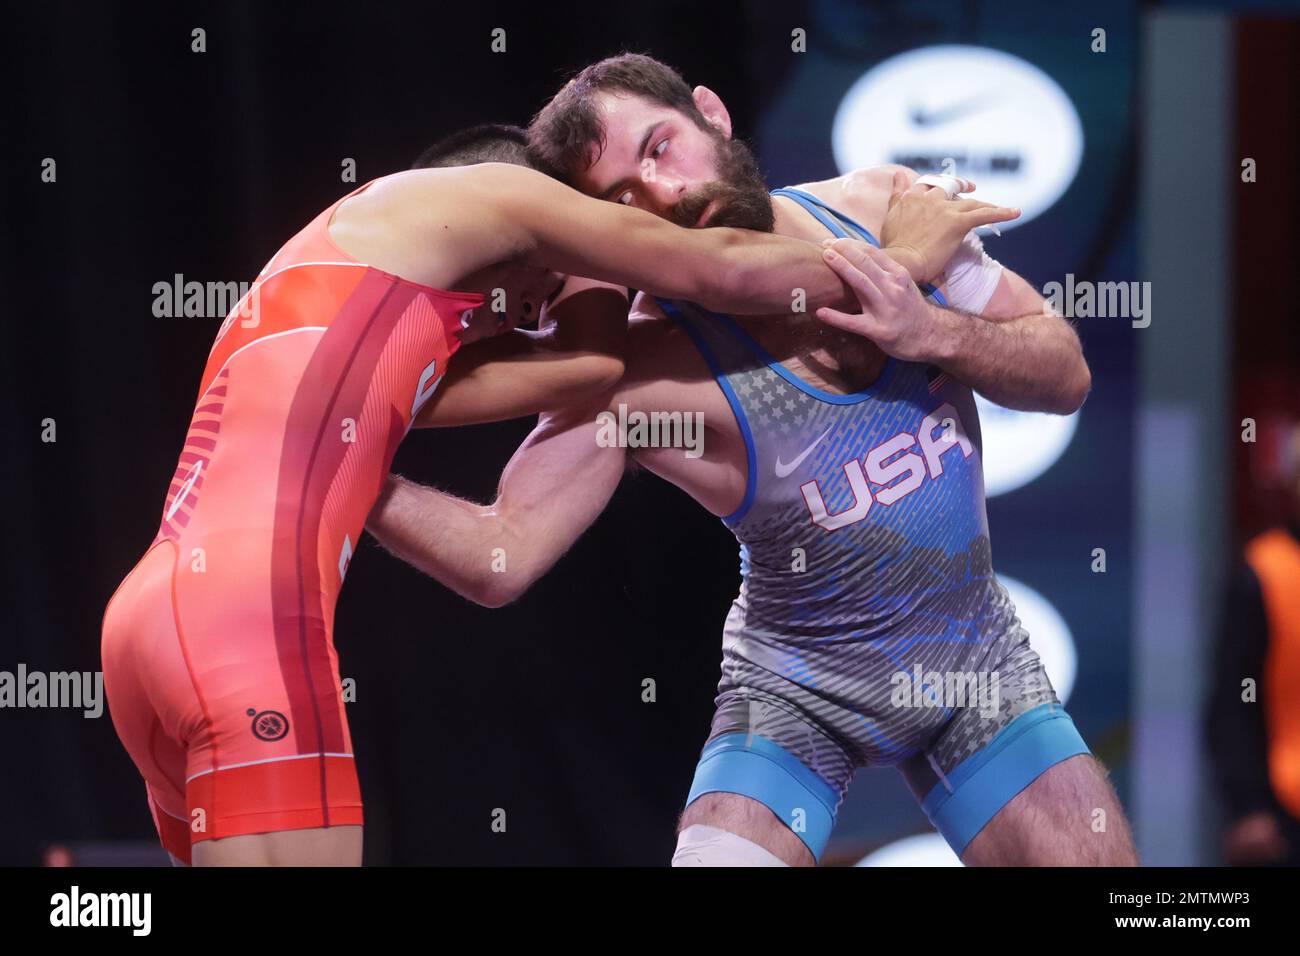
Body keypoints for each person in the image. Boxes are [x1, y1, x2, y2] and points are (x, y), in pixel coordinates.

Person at [101, 122, 1004, 867]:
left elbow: (589, 370)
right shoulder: (483, 193)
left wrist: (576, 294)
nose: (526, 312)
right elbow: (723, 270)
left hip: (152, 623)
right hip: (245, 632)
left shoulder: (369, 317)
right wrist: (903, 259)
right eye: (535, 286)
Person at [367, 55, 1139, 866]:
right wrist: (354, 473)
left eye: (660, 148)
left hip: (978, 667)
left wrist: (932, 332)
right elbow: (503, 554)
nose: (660, 194)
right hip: (795, 697)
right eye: (620, 201)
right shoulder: (647, 372)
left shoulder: (880, 208)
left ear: (712, 113)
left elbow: (1064, 375)